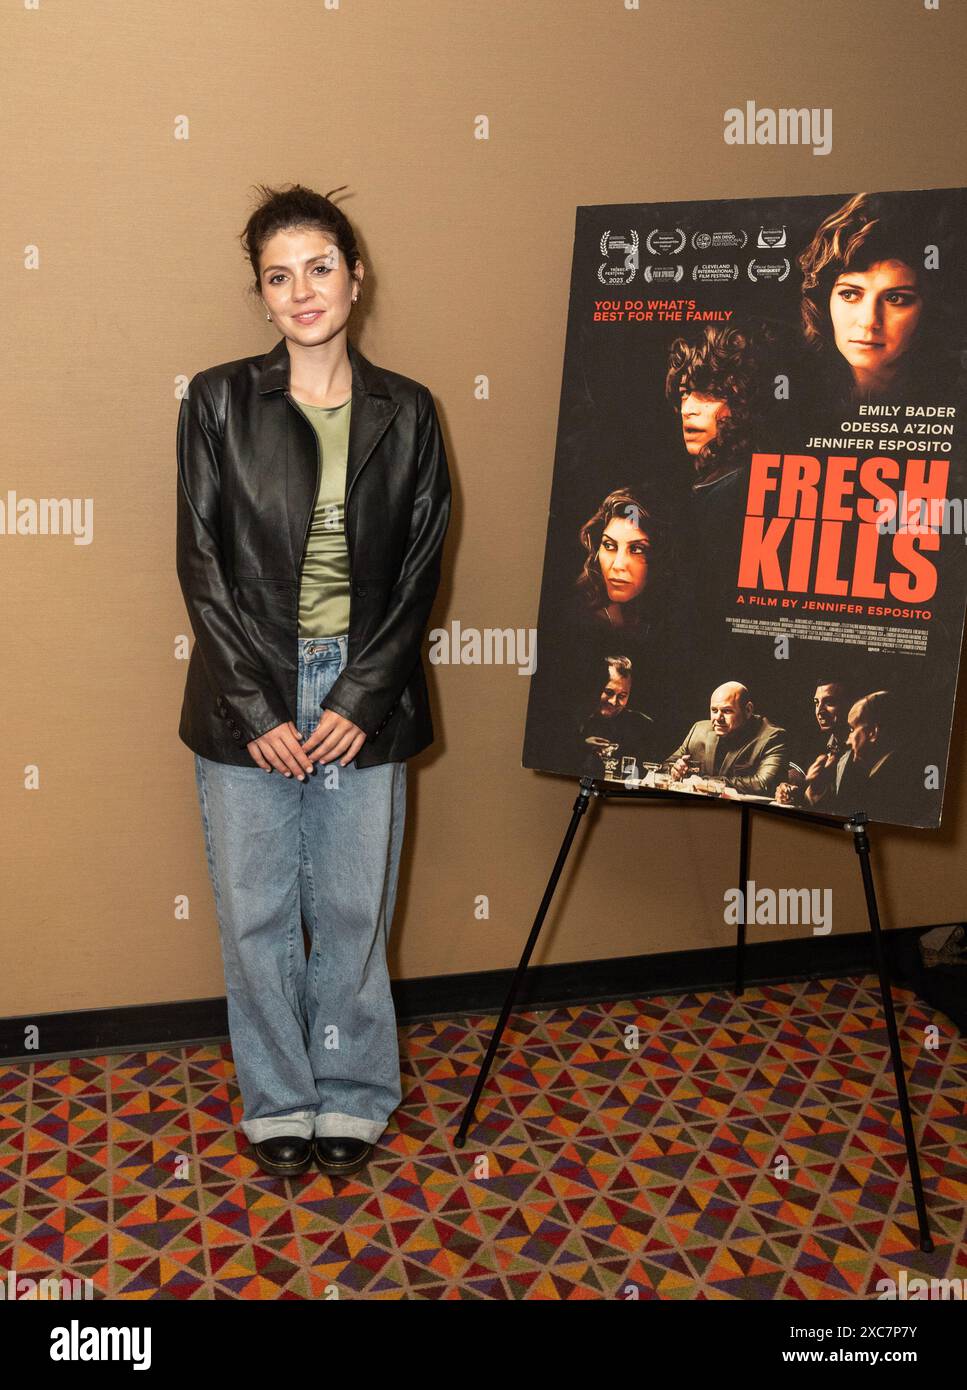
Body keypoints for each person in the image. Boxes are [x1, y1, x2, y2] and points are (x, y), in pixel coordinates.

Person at [176, 183, 451, 1180]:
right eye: (278, 277)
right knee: (254, 915)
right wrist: (255, 705)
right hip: (243, 688)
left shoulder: (410, 411)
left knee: (348, 910)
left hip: (359, 694)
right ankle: (280, 1098)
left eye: (319, 268)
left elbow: (421, 568)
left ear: (355, 275)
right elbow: (200, 565)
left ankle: (353, 1091)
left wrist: (356, 700)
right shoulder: (215, 401)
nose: (302, 292)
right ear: (261, 295)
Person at [798, 191, 960, 408]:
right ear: (825, 302)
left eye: (895, 298)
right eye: (850, 294)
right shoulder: (800, 404)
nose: (868, 321)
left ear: (929, 309)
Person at [665, 681, 787, 797]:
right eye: (714, 710)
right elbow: (665, 766)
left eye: (727, 711)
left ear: (748, 710)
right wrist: (674, 770)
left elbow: (763, 784)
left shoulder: (773, 737)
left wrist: (704, 781)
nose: (718, 718)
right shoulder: (699, 729)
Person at [578, 655, 656, 778]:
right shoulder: (575, 721)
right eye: (609, 692)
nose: (614, 702)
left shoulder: (642, 726)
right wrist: (580, 747)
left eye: (622, 696)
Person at [775, 679, 851, 806]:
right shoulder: (814, 744)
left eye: (830, 703)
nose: (819, 711)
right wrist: (787, 791)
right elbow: (797, 784)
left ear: (849, 704)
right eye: (817, 703)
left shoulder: (862, 750)